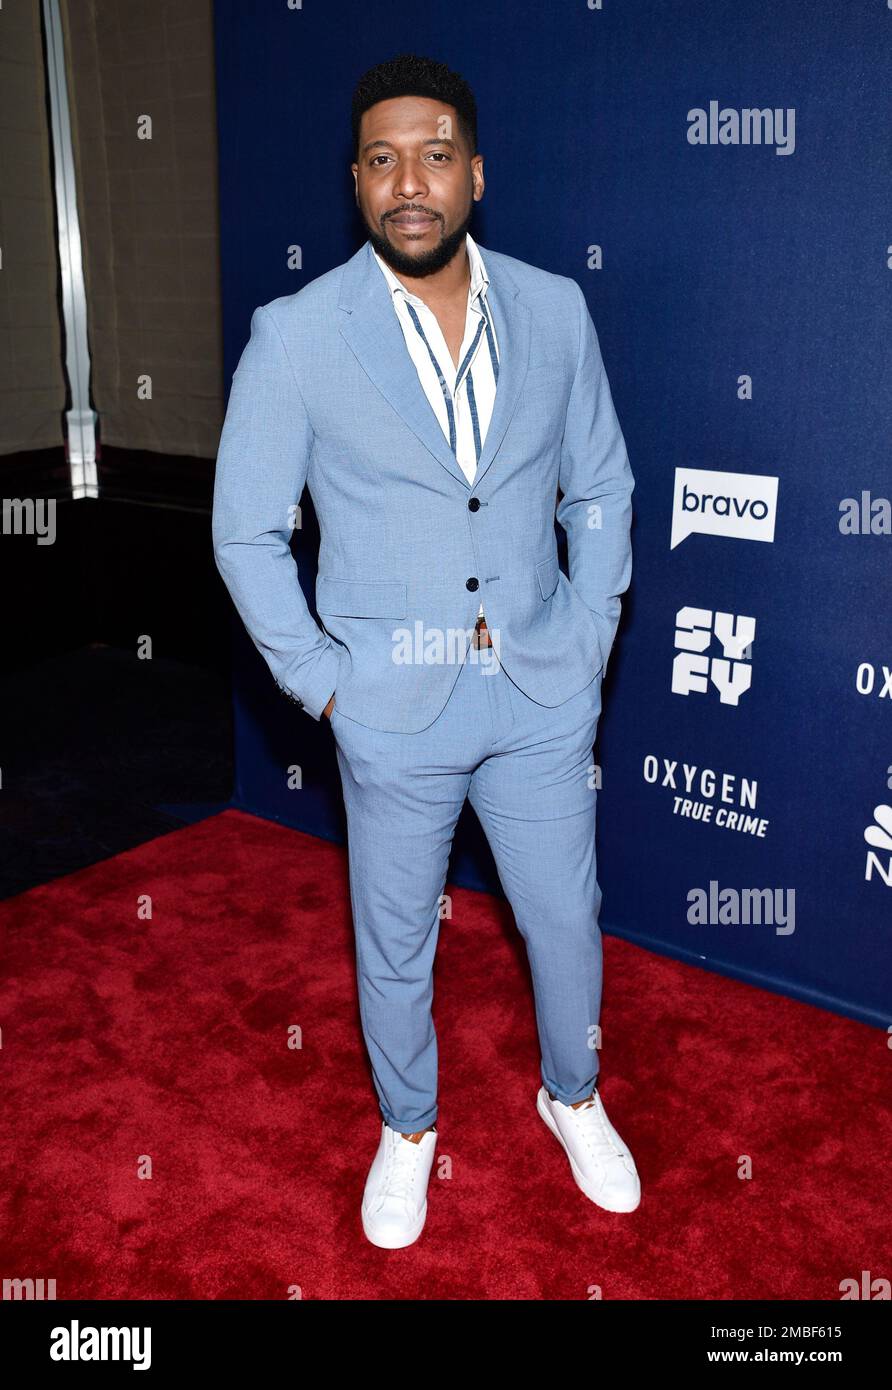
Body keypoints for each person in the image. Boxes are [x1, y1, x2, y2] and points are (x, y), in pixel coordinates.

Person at [212, 53, 639, 1249]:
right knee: (395, 940)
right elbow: (246, 533)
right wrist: (324, 684)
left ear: (475, 174)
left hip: (542, 694)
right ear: (356, 182)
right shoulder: (297, 336)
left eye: (436, 153)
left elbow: (599, 486)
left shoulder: (555, 309)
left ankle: (574, 1094)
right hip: (389, 707)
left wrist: (591, 632)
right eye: (385, 157)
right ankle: (409, 1126)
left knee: (565, 919)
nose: (413, 180)